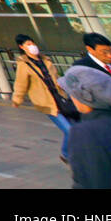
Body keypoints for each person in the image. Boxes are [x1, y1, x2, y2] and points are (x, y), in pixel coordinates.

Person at [11, 34, 77, 163]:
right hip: (46, 102)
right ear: (21, 47)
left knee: (73, 128)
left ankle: (68, 153)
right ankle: (66, 154)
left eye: (32, 43)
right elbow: (20, 83)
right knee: (70, 130)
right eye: (28, 44)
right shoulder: (23, 65)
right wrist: (17, 99)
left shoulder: (46, 60)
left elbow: (57, 77)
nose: (32, 46)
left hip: (60, 98)